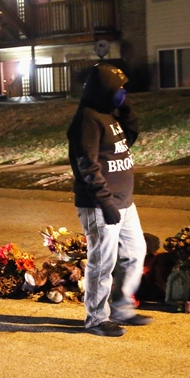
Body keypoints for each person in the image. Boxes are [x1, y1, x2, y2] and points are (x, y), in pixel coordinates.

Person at [66, 63, 152, 337]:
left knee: (135, 252)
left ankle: (121, 307)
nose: (123, 91)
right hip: (101, 205)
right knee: (102, 263)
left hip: (124, 203)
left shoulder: (107, 115)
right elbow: (87, 166)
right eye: (119, 88)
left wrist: (126, 112)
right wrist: (105, 202)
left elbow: (124, 143)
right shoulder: (87, 120)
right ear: (104, 90)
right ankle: (96, 318)